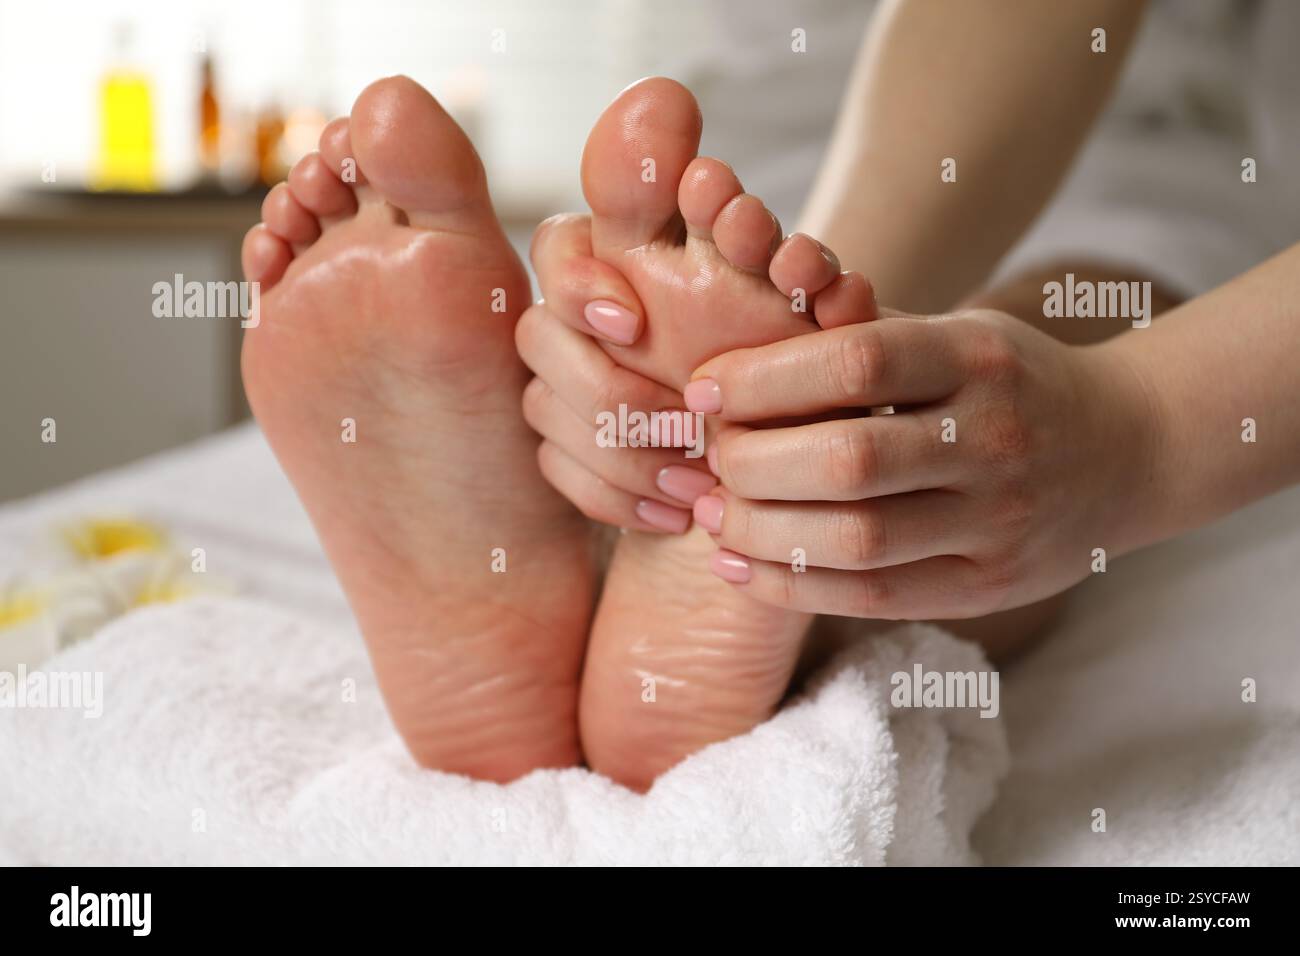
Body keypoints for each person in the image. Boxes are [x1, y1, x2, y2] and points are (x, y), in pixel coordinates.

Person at [240, 0, 1299, 792]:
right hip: (812, 178)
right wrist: (818, 364)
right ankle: (781, 560)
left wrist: (1144, 426)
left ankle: (733, 552)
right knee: (1031, 338)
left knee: (1056, 349)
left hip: (1110, 137)